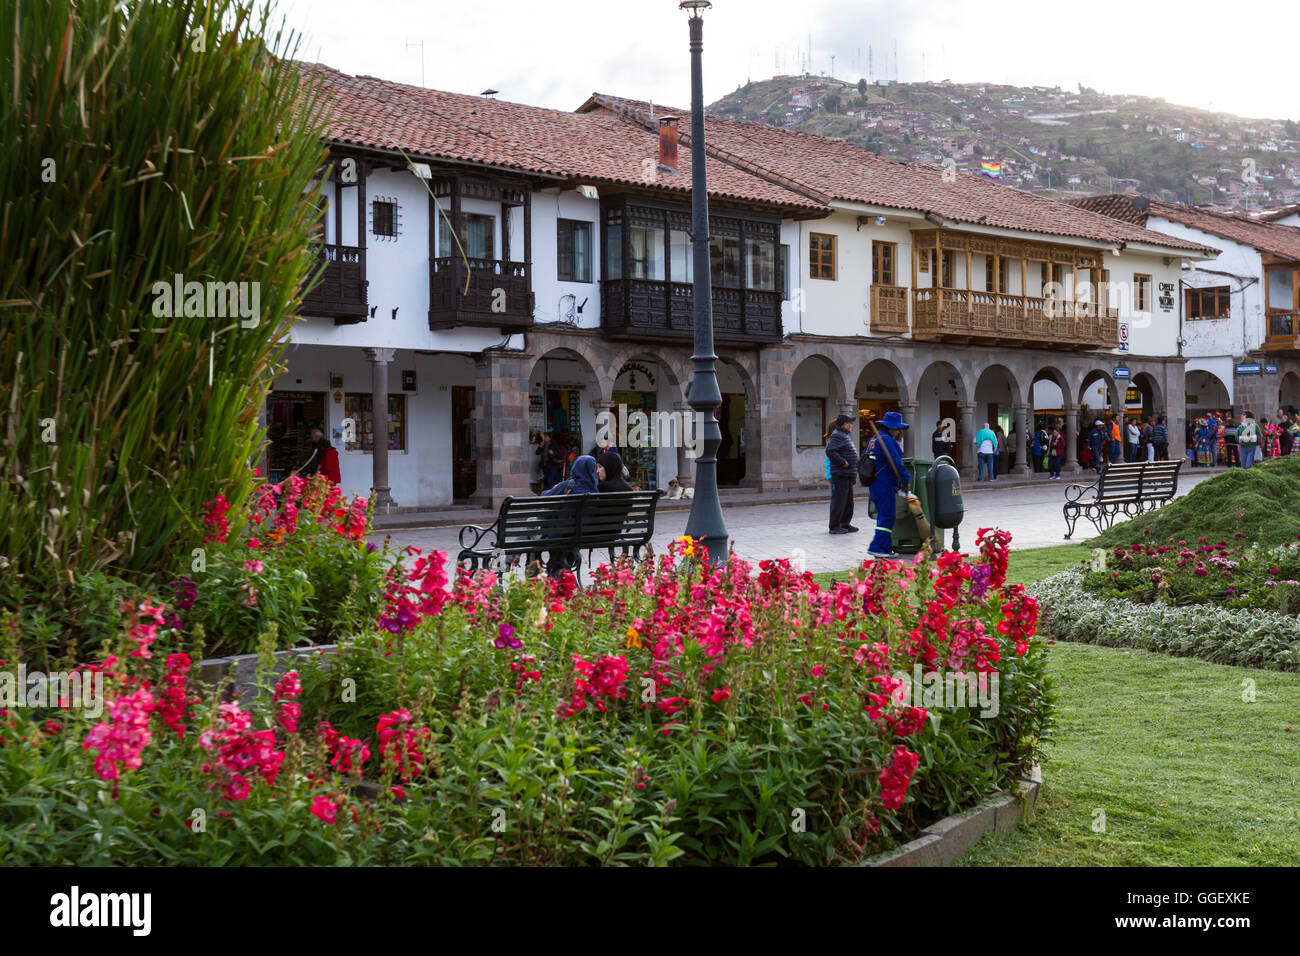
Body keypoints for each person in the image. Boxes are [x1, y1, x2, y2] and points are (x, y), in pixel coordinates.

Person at [867, 411, 910, 559]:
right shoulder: (887, 440)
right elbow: (897, 462)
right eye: (898, 429)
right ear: (893, 428)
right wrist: (905, 479)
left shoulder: (874, 439)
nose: (899, 432)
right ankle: (878, 547)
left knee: (884, 516)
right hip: (884, 483)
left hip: (875, 483)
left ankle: (884, 547)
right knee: (887, 517)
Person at [824, 413, 859, 534]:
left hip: (847, 474)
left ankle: (845, 523)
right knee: (839, 501)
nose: (851, 425)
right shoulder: (838, 435)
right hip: (841, 474)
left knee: (848, 501)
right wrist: (843, 462)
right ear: (844, 424)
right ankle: (834, 526)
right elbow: (830, 451)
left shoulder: (843, 435)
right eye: (850, 423)